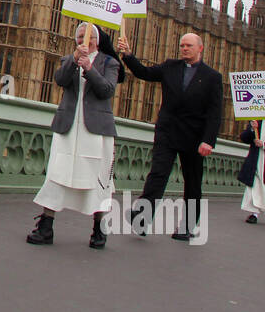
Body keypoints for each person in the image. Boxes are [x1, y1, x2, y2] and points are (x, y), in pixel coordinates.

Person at [114, 31, 223, 241]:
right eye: (182, 45)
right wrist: (127, 55)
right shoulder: (170, 66)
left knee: (192, 183)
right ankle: (142, 219)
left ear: (200, 48)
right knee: (158, 174)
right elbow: (144, 73)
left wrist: (209, 140)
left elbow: (215, 113)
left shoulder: (212, 77)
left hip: (195, 137)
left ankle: (188, 226)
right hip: (168, 132)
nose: (184, 48)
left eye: (188, 45)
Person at [26, 23, 120, 249]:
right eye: (79, 37)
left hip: (96, 130)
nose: (82, 40)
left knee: (98, 179)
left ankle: (99, 230)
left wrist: (89, 67)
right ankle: (46, 227)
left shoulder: (109, 62)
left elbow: (107, 90)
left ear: (97, 40)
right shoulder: (68, 59)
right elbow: (60, 79)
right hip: (68, 127)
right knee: (57, 174)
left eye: (87, 37)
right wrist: (75, 60)